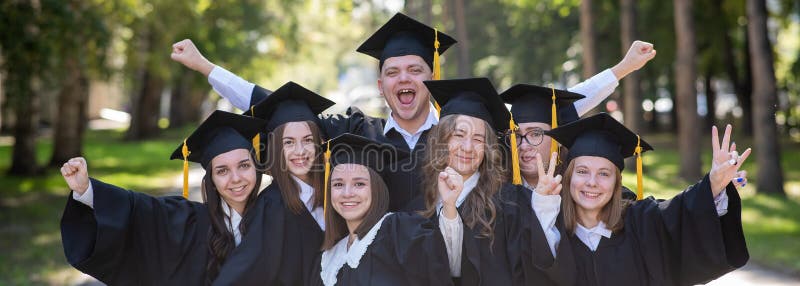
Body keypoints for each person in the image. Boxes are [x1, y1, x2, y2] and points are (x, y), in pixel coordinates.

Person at [170, 13, 651, 211]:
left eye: (416, 69)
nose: (405, 79)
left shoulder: (468, 134)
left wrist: (620, 70)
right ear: (381, 84)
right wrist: (207, 68)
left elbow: (555, 110)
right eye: (394, 71)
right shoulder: (357, 133)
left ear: (431, 75)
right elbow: (273, 108)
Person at [59, 111, 283, 284]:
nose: (235, 178)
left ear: (257, 168)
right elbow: (138, 211)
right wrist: (86, 190)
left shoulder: (276, 218)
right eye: (222, 170)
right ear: (211, 179)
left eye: (244, 165)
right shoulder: (188, 221)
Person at [538, 113, 750, 285]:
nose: (592, 182)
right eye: (582, 171)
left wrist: (713, 184)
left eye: (604, 173)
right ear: (568, 177)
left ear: (616, 183)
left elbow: (681, 211)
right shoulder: (551, 232)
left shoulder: (642, 221)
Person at [419, 77, 568, 285]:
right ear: (442, 139)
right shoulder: (418, 201)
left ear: (487, 147)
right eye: (459, 134)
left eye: (478, 139)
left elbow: (540, 269)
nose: (468, 147)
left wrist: (543, 207)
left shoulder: (512, 203)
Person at [212, 81, 335, 285]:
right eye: (289, 142)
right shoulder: (271, 206)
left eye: (307, 140)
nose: (300, 151)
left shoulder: (336, 191)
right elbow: (245, 269)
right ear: (276, 147)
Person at [308, 133, 453, 286]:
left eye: (359, 184)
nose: (347, 193)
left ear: (377, 189)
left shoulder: (402, 232)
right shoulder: (327, 260)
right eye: (338, 184)